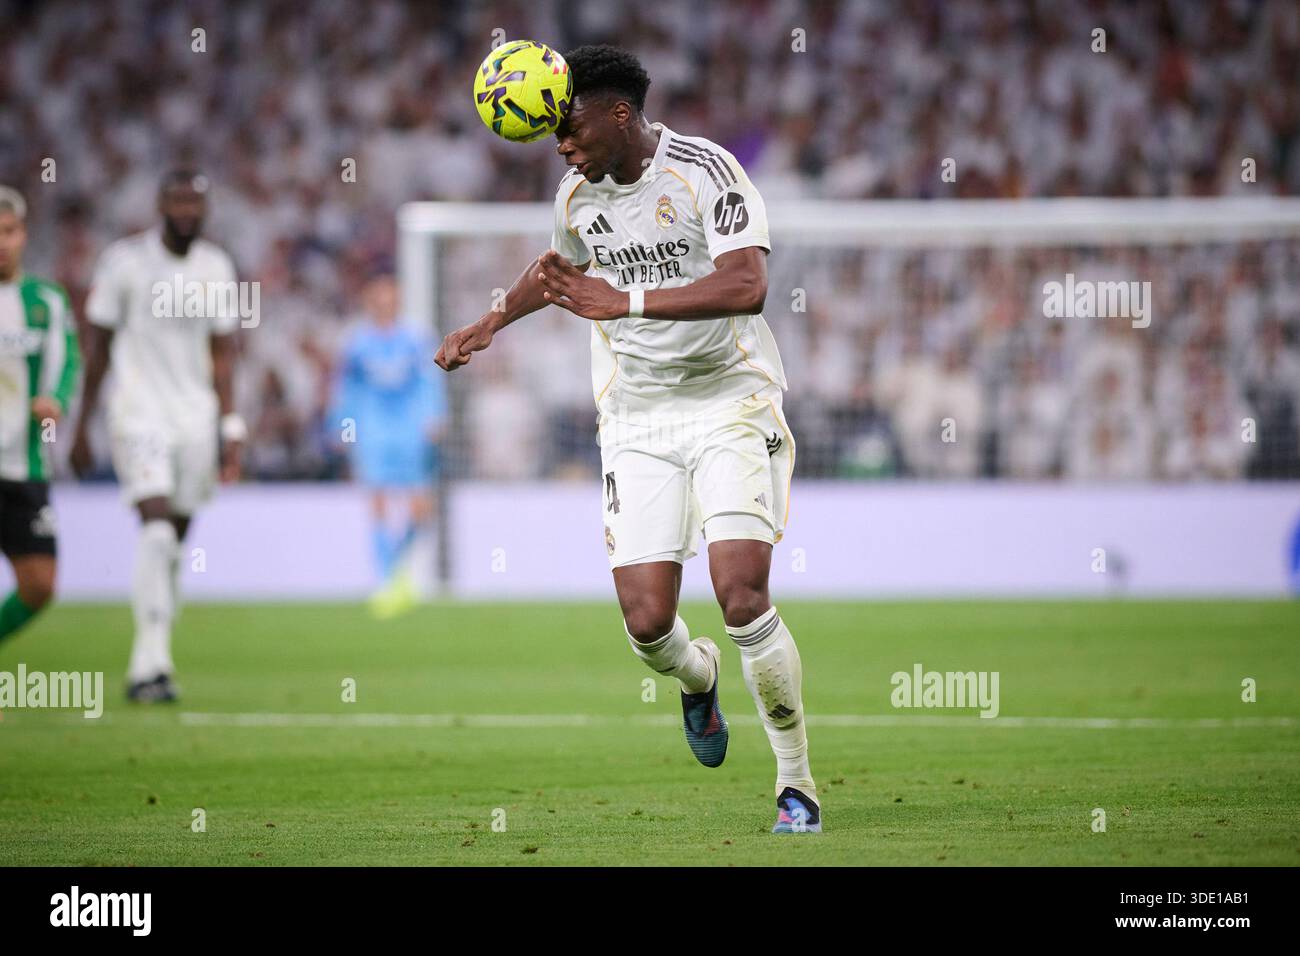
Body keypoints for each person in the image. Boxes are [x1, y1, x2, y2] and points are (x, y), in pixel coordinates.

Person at [436, 46, 819, 833]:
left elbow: (748, 283)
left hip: (729, 401)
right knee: (647, 623)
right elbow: (557, 274)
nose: (561, 143)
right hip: (639, 417)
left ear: (619, 113)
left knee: (741, 592)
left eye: (570, 125)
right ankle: (696, 676)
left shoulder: (707, 173)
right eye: (551, 133)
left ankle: (796, 785)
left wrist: (628, 301)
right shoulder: (575, 195)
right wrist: (490, 320)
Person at [71, 170, 243, 702]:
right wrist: (81, 424)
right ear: (160, 205)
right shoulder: (125, 264)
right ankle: (149, 665)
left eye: (196, 202)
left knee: (174, 543)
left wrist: (230, 423)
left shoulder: (217, 266)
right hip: (137, 412)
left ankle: (156, 644)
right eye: (178, 201)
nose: (188, 211)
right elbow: (97, 348)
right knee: (158, 531)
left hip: (195, 417)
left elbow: (223, 354)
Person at [331, 274, 445, 617]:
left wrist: (434, 415)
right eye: (379, 299)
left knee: (421, 510)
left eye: (390, 299)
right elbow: (346, 388)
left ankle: (395, 569)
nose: (385, 304)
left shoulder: (414, 339)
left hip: (410, 430)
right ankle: (386, 582)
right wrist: (342, 425)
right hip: (374, 430)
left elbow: (429, 380)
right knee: (378, 501)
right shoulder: (357, 342)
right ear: (370, 303)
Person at [0, 186, 80, 646]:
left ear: (24, 235)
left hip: (26, 465)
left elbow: (67, 361)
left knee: (39, 585)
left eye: (8, 232)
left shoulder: (46, 301)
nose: (2, 242)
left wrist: (55, 401)